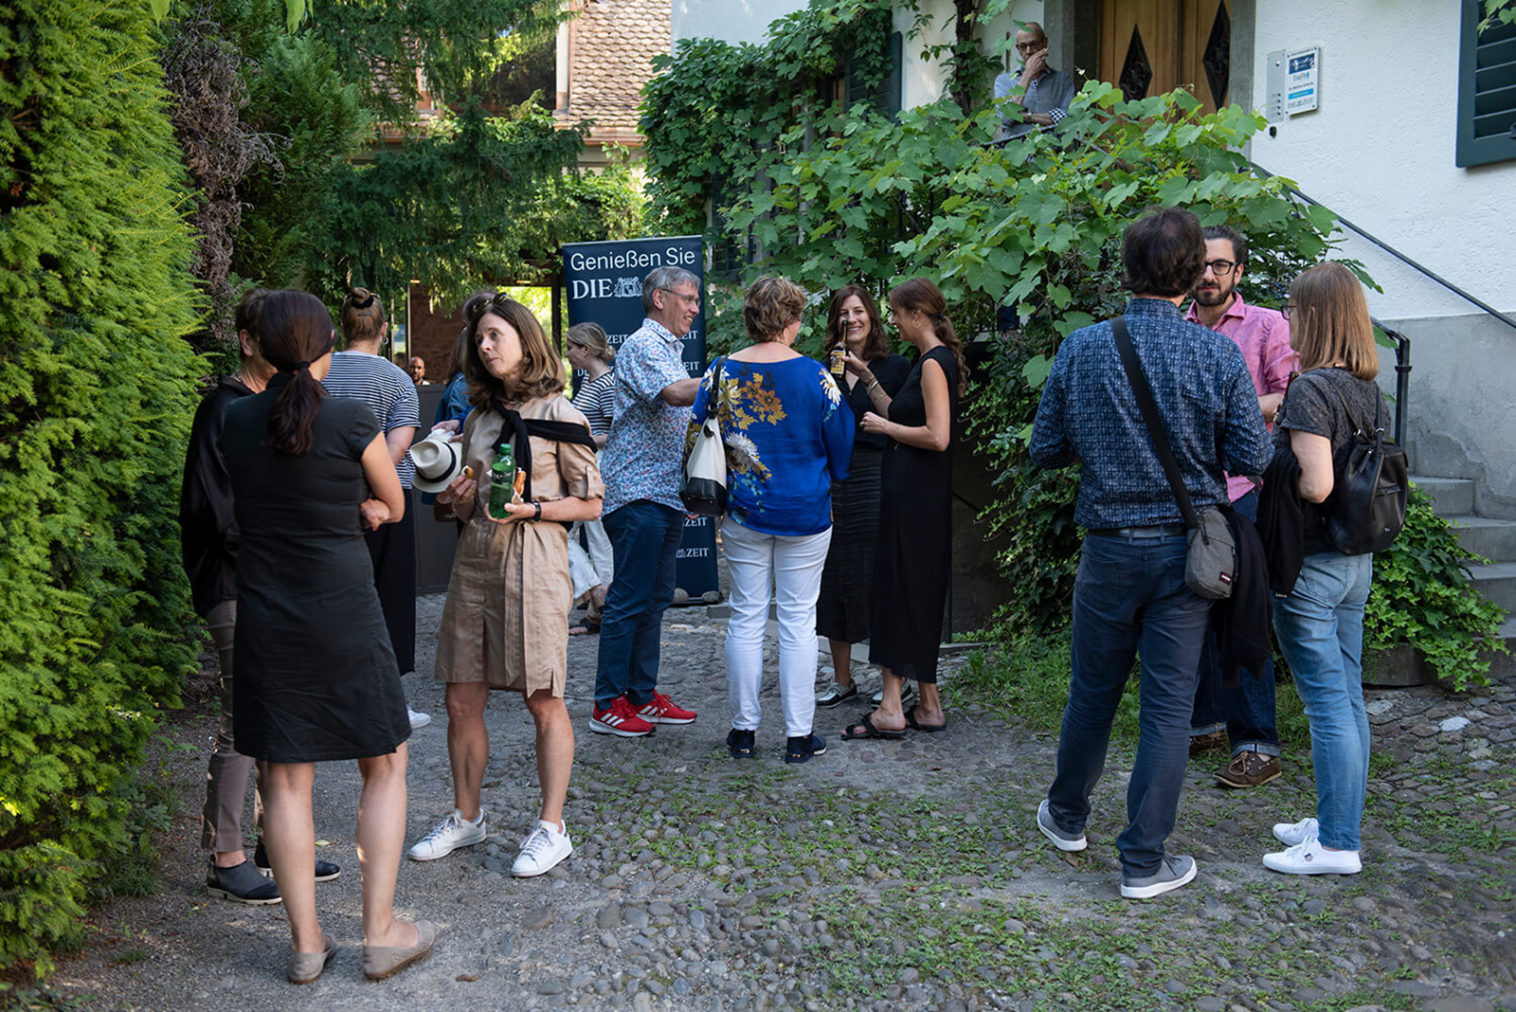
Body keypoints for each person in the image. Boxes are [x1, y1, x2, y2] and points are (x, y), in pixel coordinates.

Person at [1028, 207, 1271, 899]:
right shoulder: (1218, 355)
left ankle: (1068, 816)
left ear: (1126, 268)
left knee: (1092, 694)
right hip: (1185, 554)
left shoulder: (1082, 349)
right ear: (1195, 275)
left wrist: (1105, 445)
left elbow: (1044, 449)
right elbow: (1252, 456)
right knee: (1167, 709)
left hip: (1108, 547)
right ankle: (1142, 861)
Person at [219, 290, 433, 984]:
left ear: (260, 345)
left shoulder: (234, 420)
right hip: (343, 606)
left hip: (268, 612)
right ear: (326, 351)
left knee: (285, 775)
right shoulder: (350, 417)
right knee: (385, 760)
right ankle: (379, 935)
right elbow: (394, 503)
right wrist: (366, 507)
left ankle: (308, 946)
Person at [409, 294, 603, 876]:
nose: (485, 346)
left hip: (537, 564)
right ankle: (467, 818)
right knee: (460, 698)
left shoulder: (564, 416)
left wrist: (535, 507)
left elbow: (591, 503)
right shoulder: (478, 419)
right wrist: (455, 501)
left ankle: (552, 827)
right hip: (476, 562)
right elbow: (462, 508)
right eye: (481, 339)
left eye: (495, 335)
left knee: (542, 697)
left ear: (525, 338)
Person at [181, 290, 341, 904]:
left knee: (281, 713)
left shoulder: (274, 407)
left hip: (275, 584)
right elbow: (214, 513)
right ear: (250, 342)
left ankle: (279, 841)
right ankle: (227, 856)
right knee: (242, 717)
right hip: (236, 584)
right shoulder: (223, 409)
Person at [690, 276, 854, 762]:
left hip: (745, 509)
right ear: (790, 321)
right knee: (799, 622)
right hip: (805, 509)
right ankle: (799, 737)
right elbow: (841, 445)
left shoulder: (720, 370)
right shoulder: (816, 375)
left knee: (746, 616)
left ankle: (743, 732)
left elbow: (701, 426)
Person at [1262, 262, 1388, 877]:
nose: (1286, 317)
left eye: (1290, 306)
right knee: (1348, 698)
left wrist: (1271, 452)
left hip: (1312, 564)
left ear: (1315, 315)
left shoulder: (1312, 388)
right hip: (1354, 561)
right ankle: (1337, 818)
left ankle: (1337, 842)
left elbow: (1316, 485)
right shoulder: (1366, 386)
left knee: (1326, 706)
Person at [1186, 225, 1299, 788]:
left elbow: (1295, 392)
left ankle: (1258, 745)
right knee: (1196, 606)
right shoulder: (1176, 327)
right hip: (1189, 493)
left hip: (1244, 489)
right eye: (1201, 265)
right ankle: (1206, 723)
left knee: (1244, 614)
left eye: (1220, 266)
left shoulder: (1267, 326)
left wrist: (1235, 407)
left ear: (1238, 273)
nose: (1209, 275)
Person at [840, 278, 965, 741]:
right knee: (913, 591)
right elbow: (898, 412)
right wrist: (868, 379)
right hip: (914, 495)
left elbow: (937, 436)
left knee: (898, 591)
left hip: (916, 499)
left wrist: (885, 431)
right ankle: (928, 705)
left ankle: (891, 708)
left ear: (917, 314)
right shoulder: (928, 362)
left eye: (895, 311)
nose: (890, 319)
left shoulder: (934, 364)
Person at [589, 267, 703, 738]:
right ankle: (606, 703)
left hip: (663, 494)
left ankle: (640, 695)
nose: (695, 308)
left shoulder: (669, 349)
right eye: (688, 298)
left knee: (654, 599)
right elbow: (676, 394)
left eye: (696, 300)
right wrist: (733, 374)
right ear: (660, 298)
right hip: (637, 493)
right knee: (630, 598)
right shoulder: (644, 345)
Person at [324, 287, 430, 731]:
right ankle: (389, 702)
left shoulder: (321, 374)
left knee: (334, 599)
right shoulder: (396, 379)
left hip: (328, 503)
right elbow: (398, 445)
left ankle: (334, 698)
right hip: (387, 508)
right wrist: (373, 491)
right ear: (384, 331)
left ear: (341, 327)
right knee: (389, 599)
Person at [813, 286, 912, 708]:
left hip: (877, 477)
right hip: (833, 483)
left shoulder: (895, 366)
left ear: (872, 317)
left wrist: (867, 379)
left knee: (878, 575)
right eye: (843, 313)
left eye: (858, 312)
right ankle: (842, 680)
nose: (851, 319)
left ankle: (894, 679)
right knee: (833, 576)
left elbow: (902, 420)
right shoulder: (822, 369)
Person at [565, 322, 617, 636]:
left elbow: (616, 433)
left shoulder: (607, 384)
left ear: (585, 349)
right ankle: (599, 599)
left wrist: (581, 439)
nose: (567, 353)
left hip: (595, 466)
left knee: (595, 539)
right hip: (582, 466)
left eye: (571, 347)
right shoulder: (588, 382)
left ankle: (601, 607)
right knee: (567, 535)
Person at [994, 21, 1076, 141]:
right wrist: (1028, 74)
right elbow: (1006, 118)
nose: (1028, 51)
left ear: (1044, 43)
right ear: (1018, 49)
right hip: (1016, 155)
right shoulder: (1003, 81)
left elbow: (1068, 119)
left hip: (1053, 155)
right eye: (1023, 46)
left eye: (1033, 44)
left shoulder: (1062, 79)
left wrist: (1026, 116)